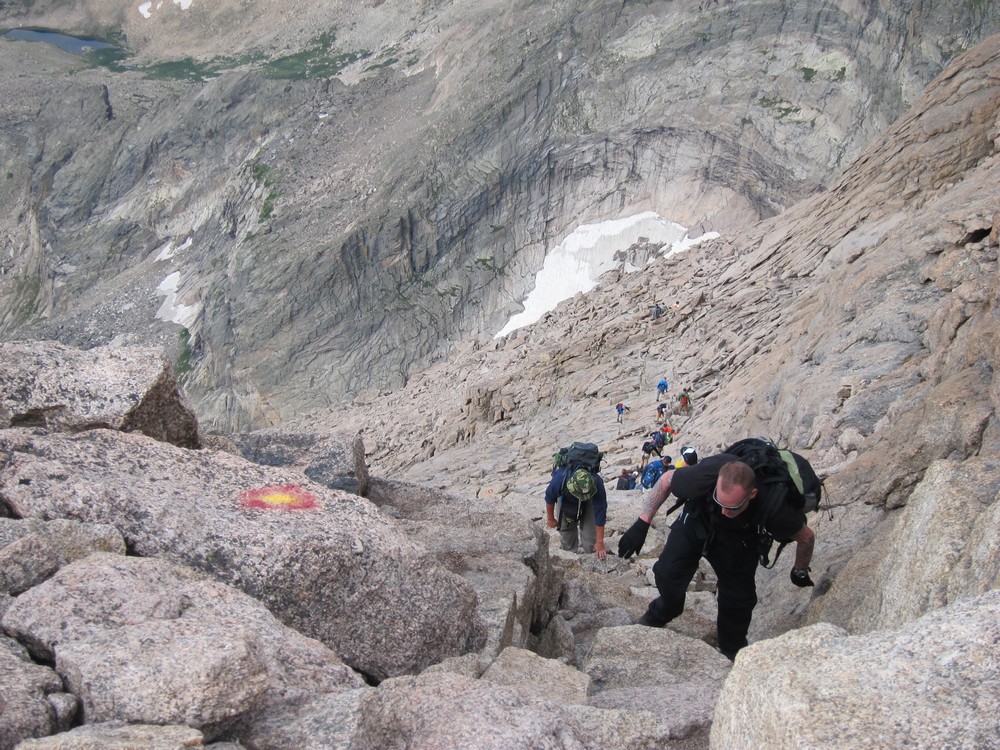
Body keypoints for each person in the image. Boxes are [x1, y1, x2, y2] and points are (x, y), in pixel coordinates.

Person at [617, 453, 816, 660]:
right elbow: (666, 480)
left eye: (731, 507)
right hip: (698, 520)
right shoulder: (705, 475)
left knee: (738, 599)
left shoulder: (775, 507)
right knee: (667, 572)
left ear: (752, 494)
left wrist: (799, 571)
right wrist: (643, 521)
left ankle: (731, 649)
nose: (723, 511)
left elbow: (806, 538)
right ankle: (664, 610)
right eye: (719, 501)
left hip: (740, 540)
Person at [545, 466, 608, 559]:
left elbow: (600, 513)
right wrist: (550, 519)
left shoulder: (597, 483)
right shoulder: (560, 479)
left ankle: (590, 554)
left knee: (591, 537)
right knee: (566, 530)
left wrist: (599, 542)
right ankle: (569, 556)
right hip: (565, 497)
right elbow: (549, 498)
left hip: (589, 499)